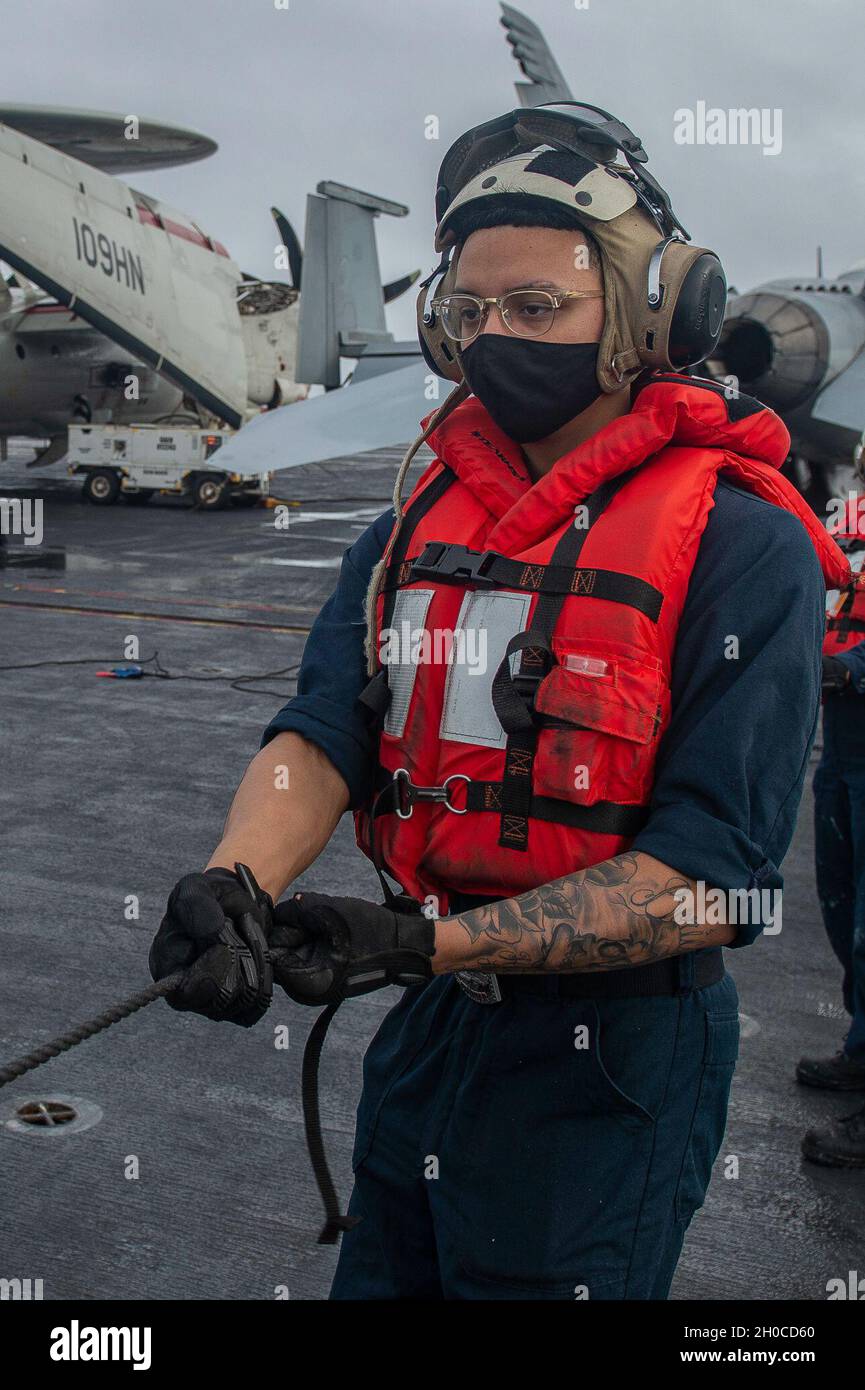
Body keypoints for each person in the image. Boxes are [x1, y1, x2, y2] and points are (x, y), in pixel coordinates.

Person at [150, 105, 850, 1298]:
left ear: (647, 316)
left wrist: (428, 938)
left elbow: (713, 874)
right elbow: (324, 734)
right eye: (468, 312)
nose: (492, 339)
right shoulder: (412, 524)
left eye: (537, 309)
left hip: (611, 1062)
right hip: (429, 1030)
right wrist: (238, 878)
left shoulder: (740, 545)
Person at [799, 491, 865, 1167]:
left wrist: (851, 667)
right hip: (842, 744)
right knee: (839, 899)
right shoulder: (847, 516)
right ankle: (861, 1047)